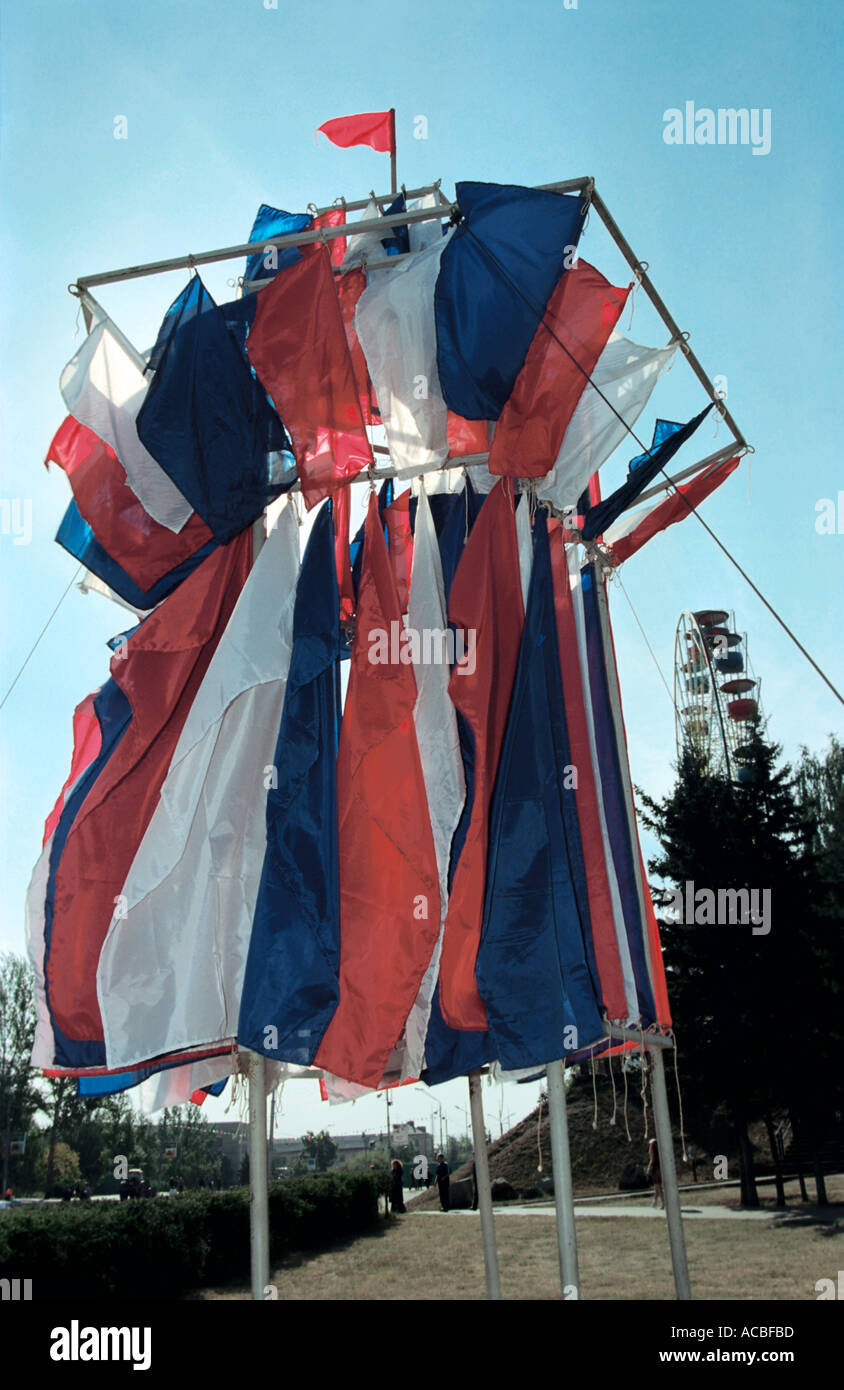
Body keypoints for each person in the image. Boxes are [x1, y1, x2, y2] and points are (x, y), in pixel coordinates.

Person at [647, 1137, 664, 1209]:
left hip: (655, 1167)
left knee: (658, 1185)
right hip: (660, 1166)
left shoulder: (652, 1147)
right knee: (656, 1186)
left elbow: (652, 1159)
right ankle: (654, 1202)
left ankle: (663, 1202)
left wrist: (649, 1168)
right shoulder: (659, 1148)